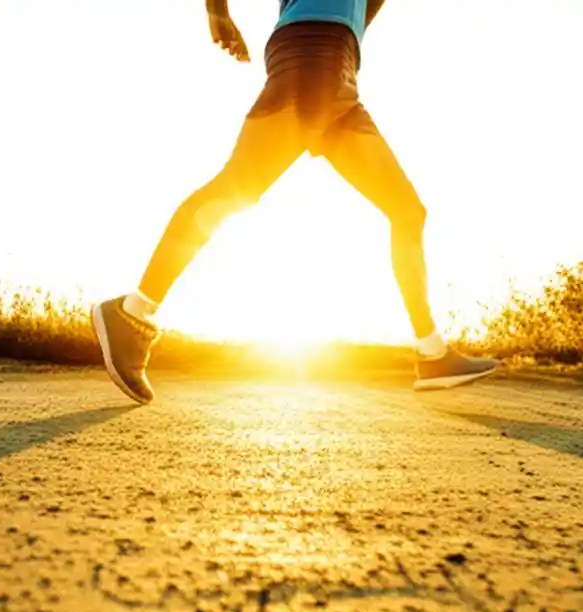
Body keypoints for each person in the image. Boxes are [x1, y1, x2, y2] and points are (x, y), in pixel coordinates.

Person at [92, 0, 498, 404]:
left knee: (406, 210)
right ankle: (133, 312)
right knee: (237, 188)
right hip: (313, 49)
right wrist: (218, 11)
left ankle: (432, 354)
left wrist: (351, 38)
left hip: (335, 60)